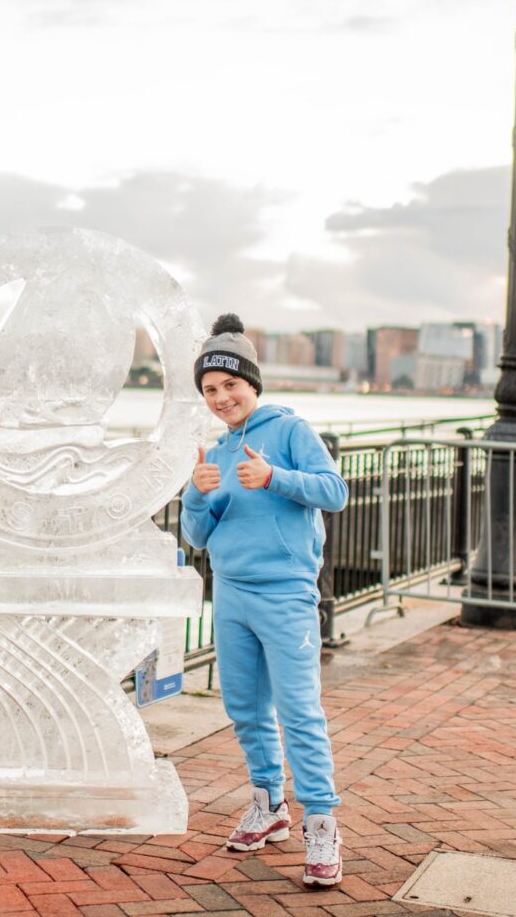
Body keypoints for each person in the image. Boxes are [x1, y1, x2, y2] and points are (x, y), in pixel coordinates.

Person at [179, 314, 349, 887]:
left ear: (251, 383)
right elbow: (198, 537)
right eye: (210, 389)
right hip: (230, 593)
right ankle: (269, 805)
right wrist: (196, 495)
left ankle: (321, 824)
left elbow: (335, 491)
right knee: (245, 710)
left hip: (286, 594)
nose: (221, 397)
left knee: (299, 712)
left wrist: (275, 476)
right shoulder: (216, 452)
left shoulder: (291, 430)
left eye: (230, 384)